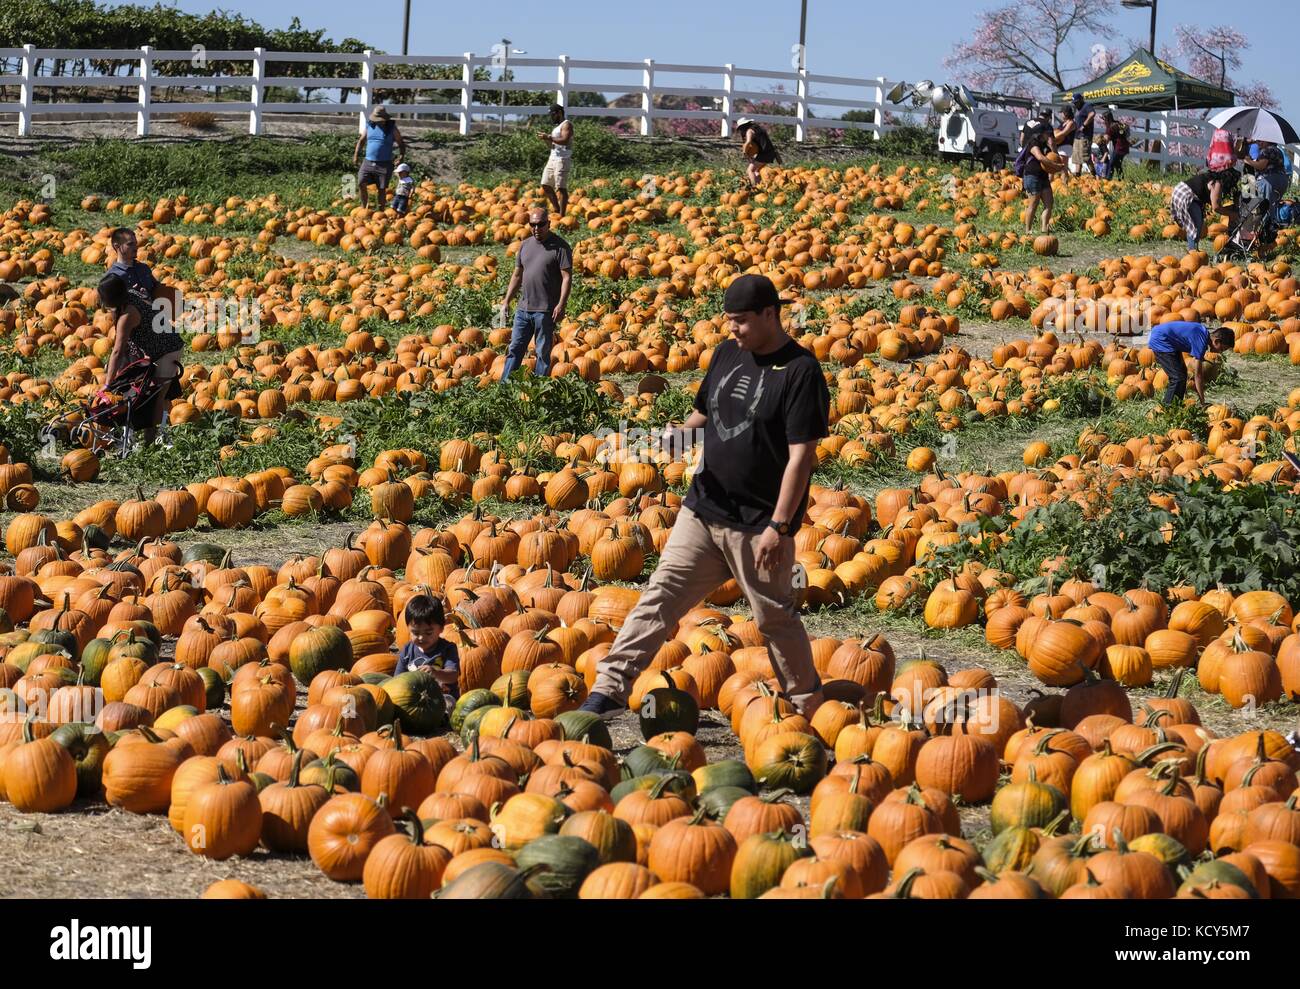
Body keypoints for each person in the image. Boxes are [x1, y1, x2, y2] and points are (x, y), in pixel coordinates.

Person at [579, 273, 828, 721]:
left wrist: (779, 525)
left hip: (757, 526)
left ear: (770, 314)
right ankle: (610, 689)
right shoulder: (728, 354)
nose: (733, 328)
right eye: (729, 319)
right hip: (703, 510)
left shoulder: (800, 372)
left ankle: (806, 703)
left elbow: (800, 458)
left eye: (742, 320)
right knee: (659, 596)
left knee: (774, 618)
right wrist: (668, 439)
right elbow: (702, 417)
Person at [98, 271, 183, 447]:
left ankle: (152, 442)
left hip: (168, 349)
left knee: (156, 395)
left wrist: (108, 384)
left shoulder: (127, 316)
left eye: (103, 298)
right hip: (157, 348)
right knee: (147, 391)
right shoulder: (131, 294)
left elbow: (117, 351)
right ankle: (151, 435)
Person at [498, 207, 572, 380]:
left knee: (542, 352)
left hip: (545, 311)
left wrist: (561, 304)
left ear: (549, 224)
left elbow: (567, 278)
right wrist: (506, 301)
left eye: (540, 224)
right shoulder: (525, 245)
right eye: (532, 224)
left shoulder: (560, 247)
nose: (536, 228)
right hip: (523, 309)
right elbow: (517, 275)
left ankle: (538, 388)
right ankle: (505, 387)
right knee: (515, 348)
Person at [1147, 321, 1234, 406]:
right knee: (1177, 378)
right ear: (1216, 341)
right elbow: (1198, 375)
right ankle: (1167, 407)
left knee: (1182, 375)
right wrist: (1202, 402)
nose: (1220, 352)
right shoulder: (1201, 341)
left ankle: (1176, 404)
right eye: (1222, 349)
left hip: (1168, 341)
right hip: (1160, 340)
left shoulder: (1203, 333)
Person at [394, 595, 460, 700]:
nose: (421, 637)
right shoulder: (407, 651)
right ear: (408, 628)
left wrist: (436, 673)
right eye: (415, 633)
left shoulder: (448, 649)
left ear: (441, 628)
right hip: (415, 699)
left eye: (428, 633)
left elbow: (453, 676)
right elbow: (398, 679)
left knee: (448, 703)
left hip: (442, 698)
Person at [1170, 168, 1238, 253]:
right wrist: (1232, 214)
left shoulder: (1213, 179)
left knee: (1196, 222)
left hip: (1181, 190)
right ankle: (1193, 251)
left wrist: (1230, 209)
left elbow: (1216, 204)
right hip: (1186, 195)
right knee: (1195, 223)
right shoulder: (1217, 183)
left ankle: (1193, 250)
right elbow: (1216, 207)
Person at [352, 106, 405, 209]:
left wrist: (401, 156)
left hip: (384, 163)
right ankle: (364, 208)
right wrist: (356, 155)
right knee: (361, 183)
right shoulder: (369, 125)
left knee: (381, 189)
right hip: (368, 161)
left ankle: (381, 210)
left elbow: (401, 143)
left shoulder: (392, 128)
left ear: (385, 119)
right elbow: (361, 141)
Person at [1020, 122, 1060, 234]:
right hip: (1032, 176)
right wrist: (1055, 166)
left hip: (1043, 176)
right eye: (1048, 134)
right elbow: (1040, 157)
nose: (1050, 136)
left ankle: (1044, 228)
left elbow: (1052, 157)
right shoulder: (1033, 143)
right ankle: (1028, 230)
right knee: (1033, 204)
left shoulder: (1045, 145)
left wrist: (1054, 152)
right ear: (1041, 133)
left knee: (1049, 203)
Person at [537, 103, 573, 217]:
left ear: (559, 113)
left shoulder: (566, 124)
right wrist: (546, 140)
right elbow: (553, 146)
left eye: (553, 114)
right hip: (552, 158)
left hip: (562, 159)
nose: (551, 117)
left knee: (561, 188)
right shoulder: (556, 128)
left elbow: (565, 140)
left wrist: (549, 137)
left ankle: (562, 216)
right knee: (545, 184)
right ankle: (557, 209)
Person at [735, 117, 782, 188]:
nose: (741, 131)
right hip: (770, 152)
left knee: (750, 171)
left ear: (743, 127)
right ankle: (761, 186)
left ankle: (755, 188)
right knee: (757, 171)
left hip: (764, 154)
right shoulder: (758, 129)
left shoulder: (749, 131)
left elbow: (748, 142)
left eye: (740, 129)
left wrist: (744, 152)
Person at [1243, 140, 1290, 206]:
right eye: (1258, 141)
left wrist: (1247, 160)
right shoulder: (1278, 151)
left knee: (1265, 207)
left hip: (1268, 181)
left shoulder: (1266, 150)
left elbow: (1261, 166)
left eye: (1260, 141)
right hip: (1282, 180)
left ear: (1267, 141)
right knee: (1274, 206)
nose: (1258, 143)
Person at [1070, 94, 1096, 177]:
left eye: (1076, 102)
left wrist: (1084, 125)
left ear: (1081, 100)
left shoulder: (1086, 106)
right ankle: (1077, 177)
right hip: (1077, 136)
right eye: (1074, 103)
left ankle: (1094, 176)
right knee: (1077, 158)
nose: (1075, 104)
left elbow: (1092, 114)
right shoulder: (1078, 109)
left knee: (1086, 157)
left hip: (1084, 136)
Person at [1103, 110, 1130, 179]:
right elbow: (1125, 130)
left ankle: (1108, 179)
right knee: (1117, 164)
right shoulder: (1117, 123)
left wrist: (1101, 142)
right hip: (1125, 146)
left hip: (1119, 147)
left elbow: (1106, 139)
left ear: (1107, 119)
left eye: (1104, 119)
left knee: (1111, 163)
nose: (1103, 121)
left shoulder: (1110, 127)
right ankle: (1121, 180)